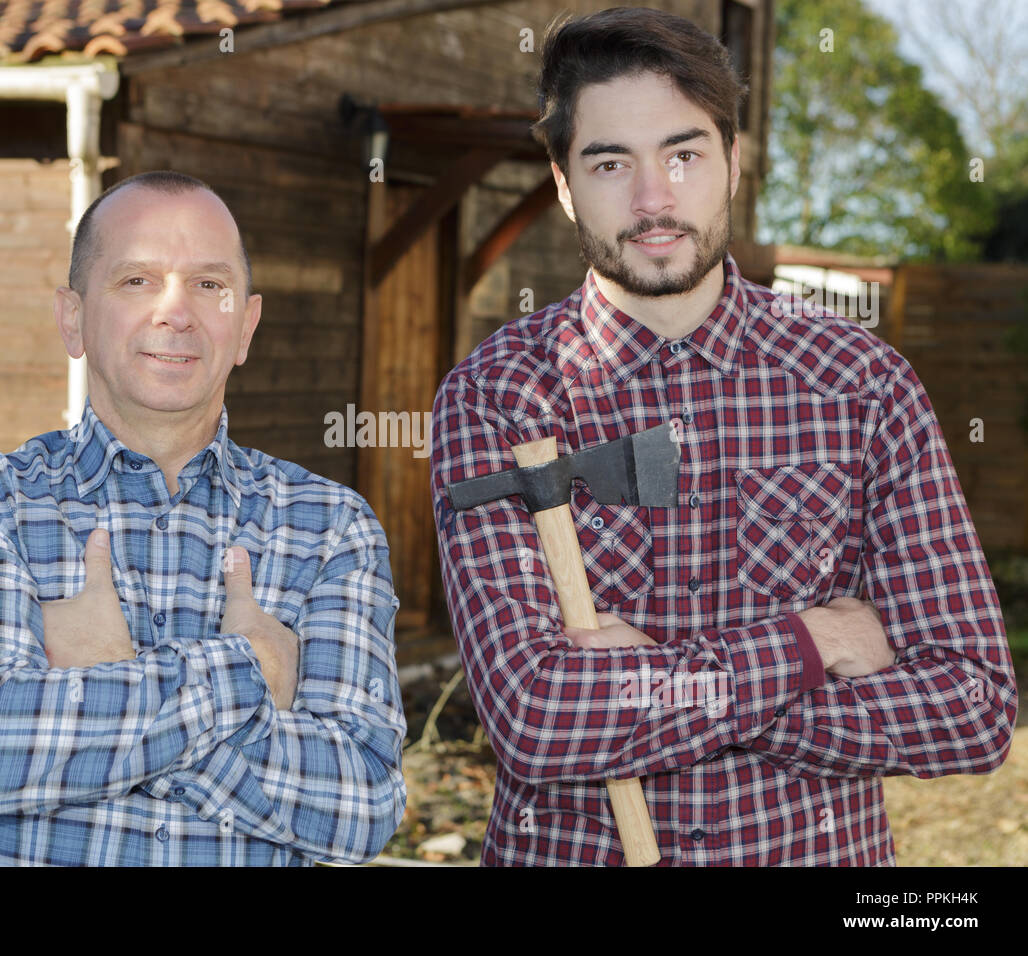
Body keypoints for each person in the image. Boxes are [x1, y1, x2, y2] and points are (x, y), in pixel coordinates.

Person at [430, 7, 1017, 866]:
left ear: (734, 163)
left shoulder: (862, 386)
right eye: (609, 163)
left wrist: (659, 692)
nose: (652, 198)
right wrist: (811, 645)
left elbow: (973, 707)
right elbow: (534, 721)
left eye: (684, 154)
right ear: (562, 184)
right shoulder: (498, 398)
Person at [0, 171, 406, 866]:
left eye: (209, 285)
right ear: (72, 318)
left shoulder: (329, 526)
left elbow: (360, 807)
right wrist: (243, 672)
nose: (176, 312)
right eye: (137, 280)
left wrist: (108, 687)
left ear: (246, 325)